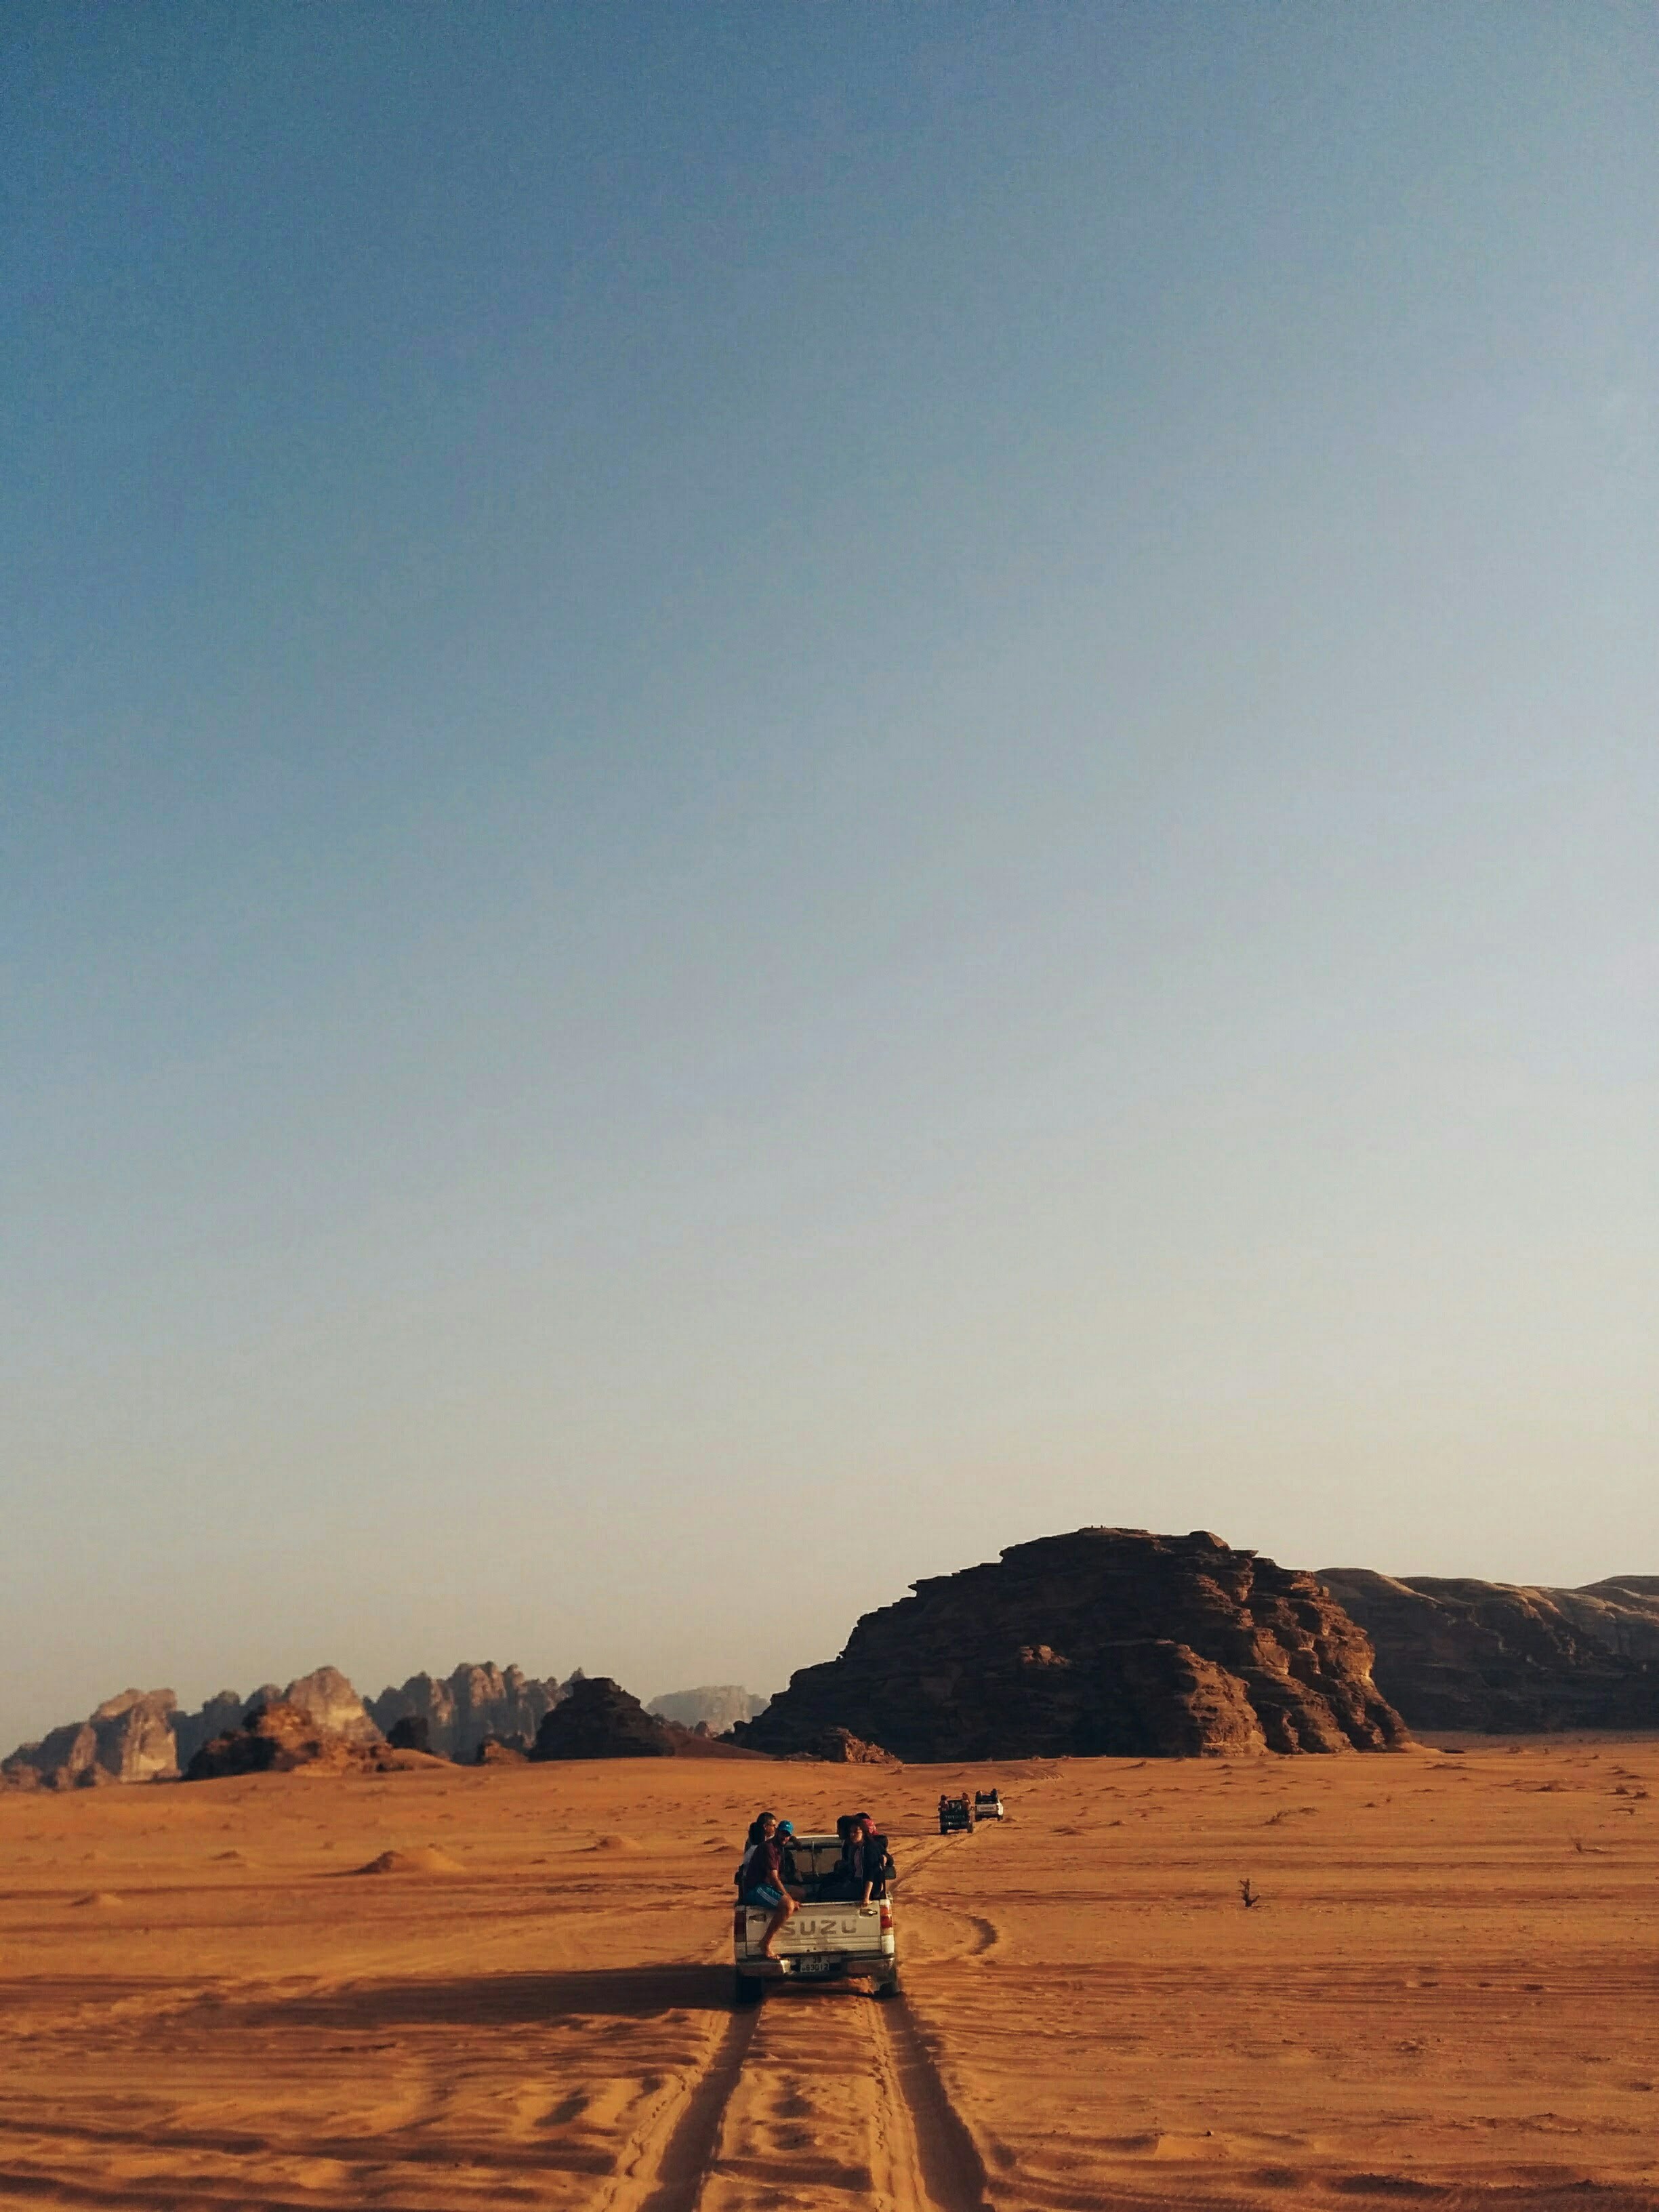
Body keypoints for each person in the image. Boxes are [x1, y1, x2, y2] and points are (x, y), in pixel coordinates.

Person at [737, 1808, 797, 1959]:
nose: (785, 1837)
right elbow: (773, 1878)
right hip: (757, 1888)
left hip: (765, 1886)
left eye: (787, 1835)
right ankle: (765, 1943)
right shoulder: (768, 1848)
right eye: (782, 1833)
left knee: (801, 1893)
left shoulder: (776, 1847)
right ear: (776, 1831)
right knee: (788, 1905)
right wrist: (787, 1897)